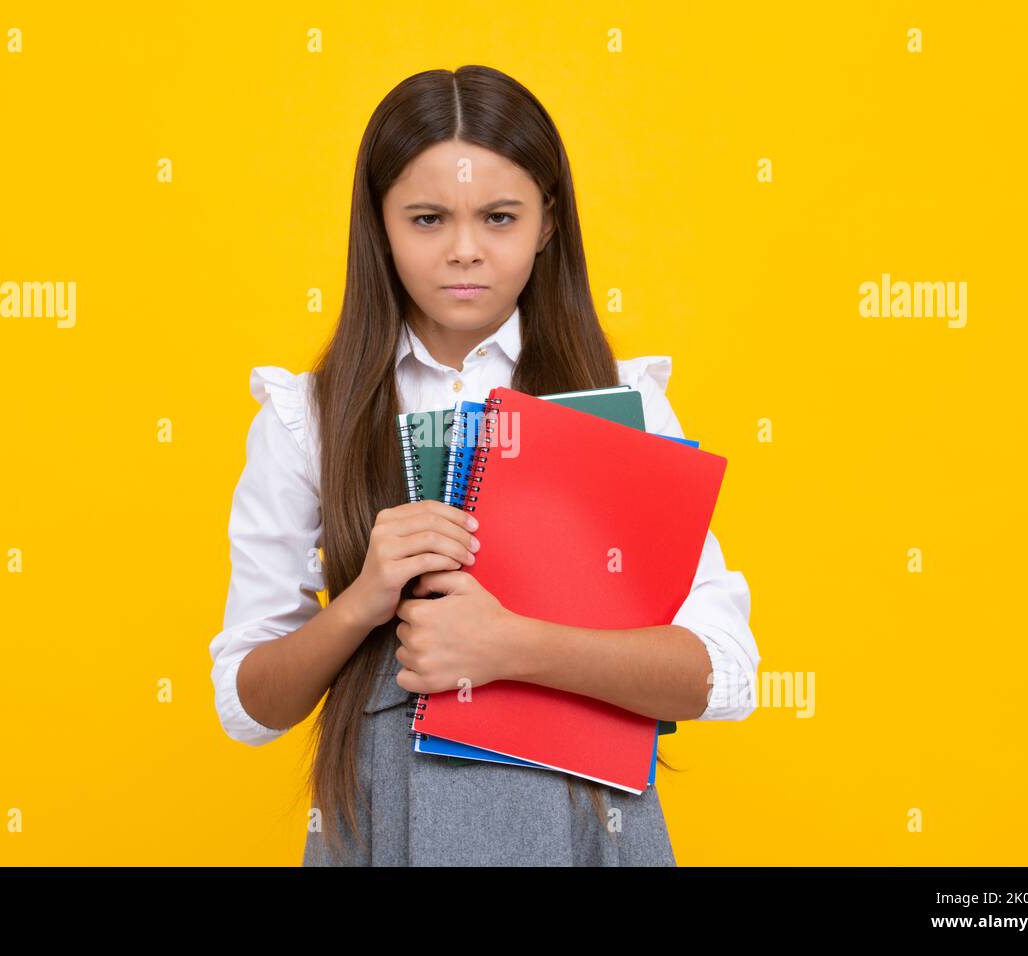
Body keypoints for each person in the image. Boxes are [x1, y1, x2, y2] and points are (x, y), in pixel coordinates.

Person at [209, 65, 759, 866]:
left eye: (499, 217)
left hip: (581, 824)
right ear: (379, 224)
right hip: (382, 818)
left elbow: (726, 675)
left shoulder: (622, 402)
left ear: (546, 224)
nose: (464, 251)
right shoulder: (308, 418)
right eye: (428, 219)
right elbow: (250, 706)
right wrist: (363, 599)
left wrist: (509, 646)